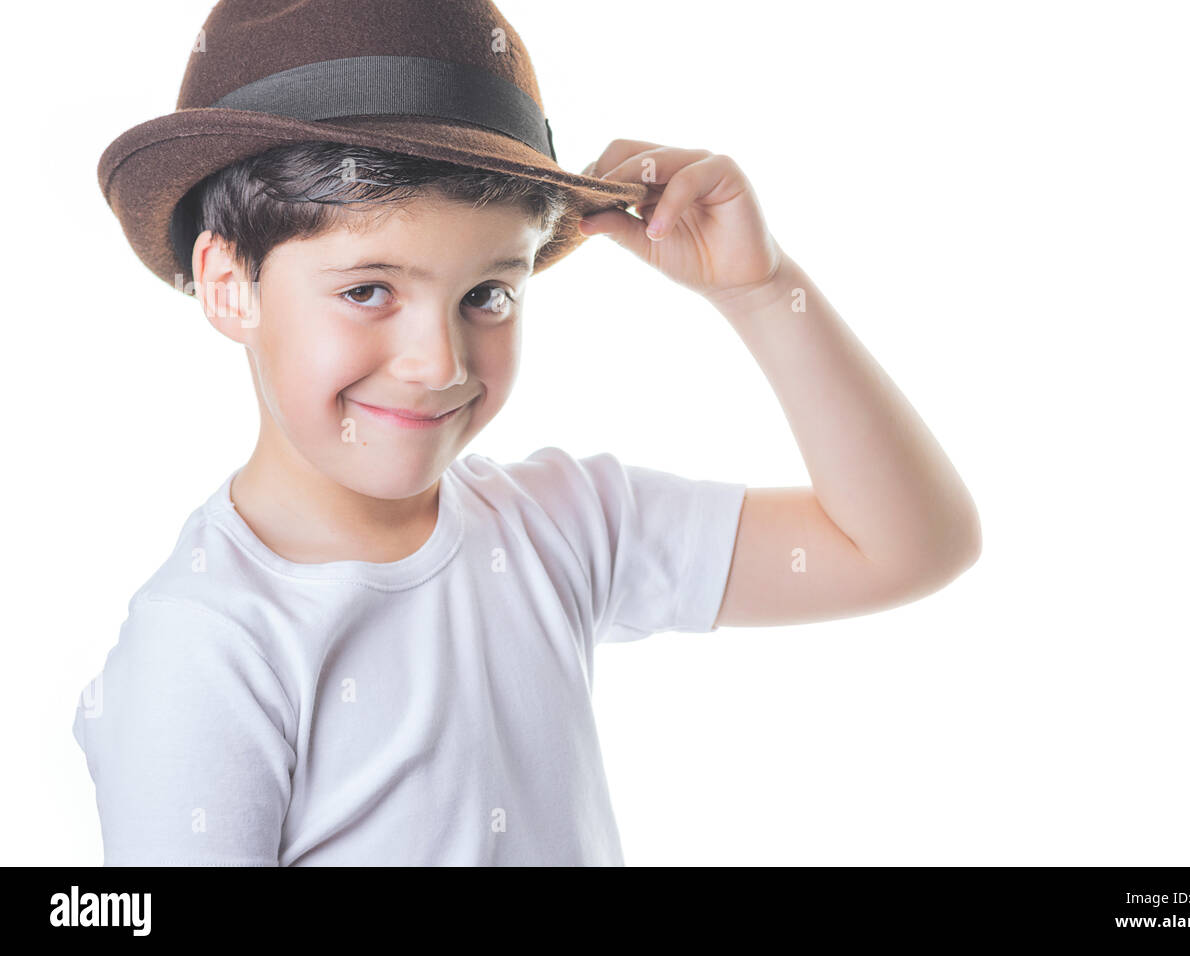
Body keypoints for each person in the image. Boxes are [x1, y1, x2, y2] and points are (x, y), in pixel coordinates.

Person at [73, 0, 981, 866]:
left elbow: (904, 546)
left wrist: (758, 290)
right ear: (230, 285)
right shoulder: (204, 648)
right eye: (367, 290)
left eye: (488, 295)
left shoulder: (562, 527)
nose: (439, 363)